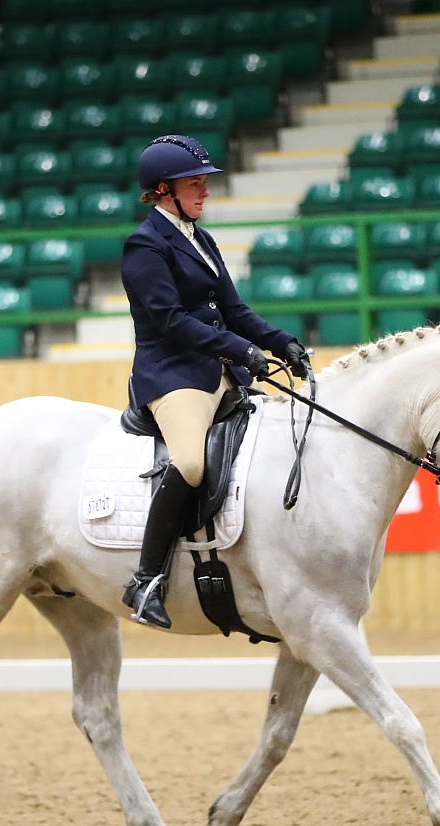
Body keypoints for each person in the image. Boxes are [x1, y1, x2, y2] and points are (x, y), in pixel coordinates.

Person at [119, 134, 313, 629]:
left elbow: (233, 309)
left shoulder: (199, 238)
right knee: (188, 462)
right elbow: (171, 321)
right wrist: (239, 349)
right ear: (163, 190)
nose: (205, 191)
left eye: (205, 183)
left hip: (222, 371)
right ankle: (146, 580)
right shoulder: (144, 245)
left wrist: (281, 342)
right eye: (195, 184)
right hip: (175, 375)